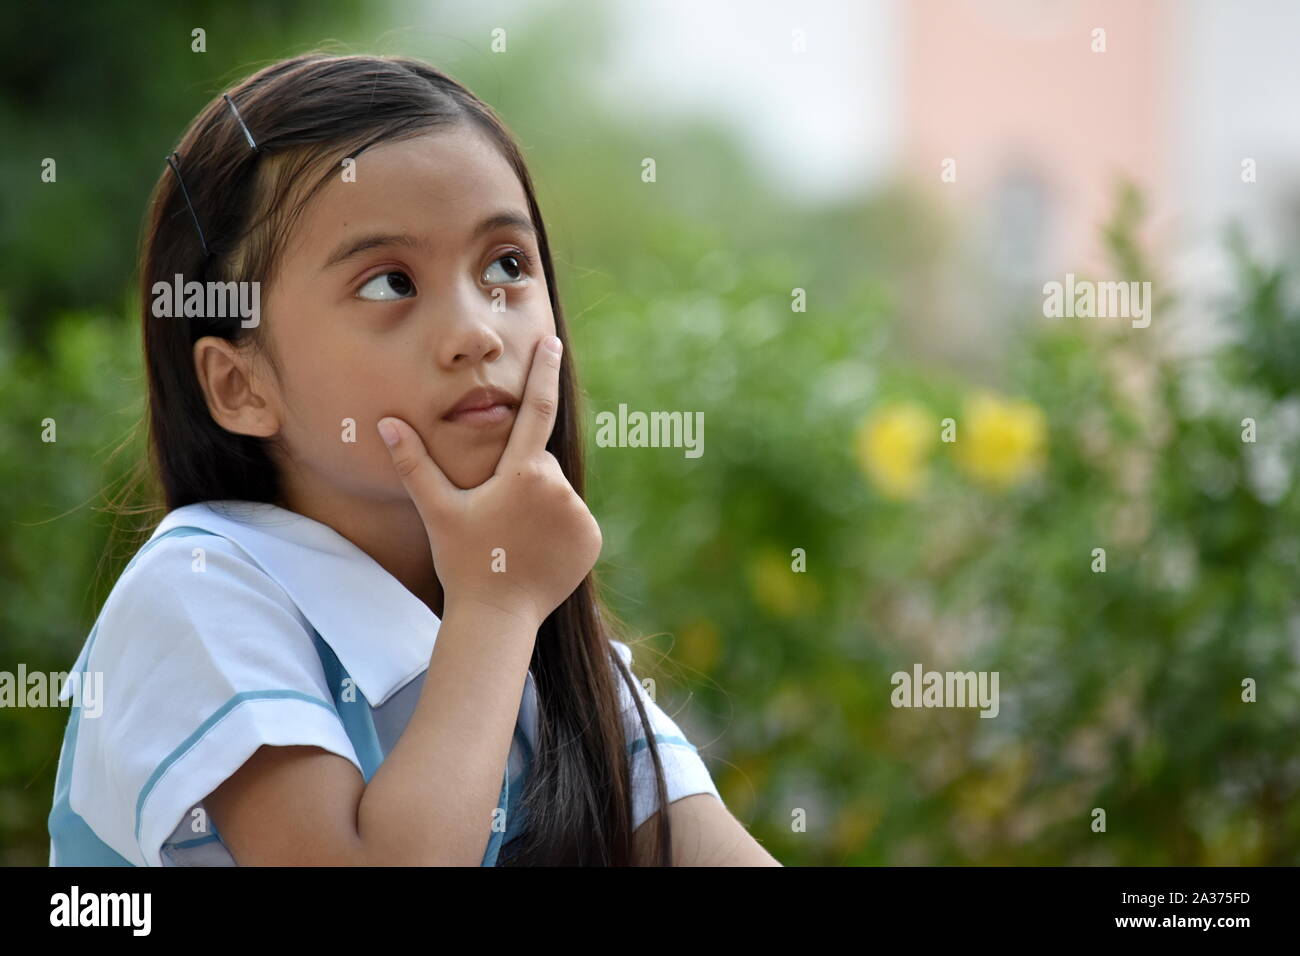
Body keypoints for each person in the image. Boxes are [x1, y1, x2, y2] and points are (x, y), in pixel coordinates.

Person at [47, 52, 780, 866]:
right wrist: (497, 608)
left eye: (507, 265)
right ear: (240, 384)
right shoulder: (195, 594)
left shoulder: (530, 630)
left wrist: (498, 608)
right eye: (390, 283)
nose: (477, 331)